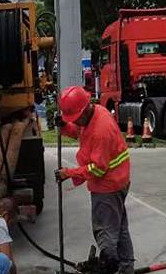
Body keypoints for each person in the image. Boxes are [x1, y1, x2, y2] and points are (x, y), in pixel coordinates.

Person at [55, 86, 134, 274]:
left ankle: (109, 266)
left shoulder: (101, 130)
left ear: (84, 109)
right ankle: (126, 268)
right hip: (118, 181)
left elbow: (97, 169)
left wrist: (69, 173)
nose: (76, 121)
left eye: (75, 118)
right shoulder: (95, 112)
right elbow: (81, 132)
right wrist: (65, 126)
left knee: (106, 232)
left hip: (107, 187)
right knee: (119, 230)